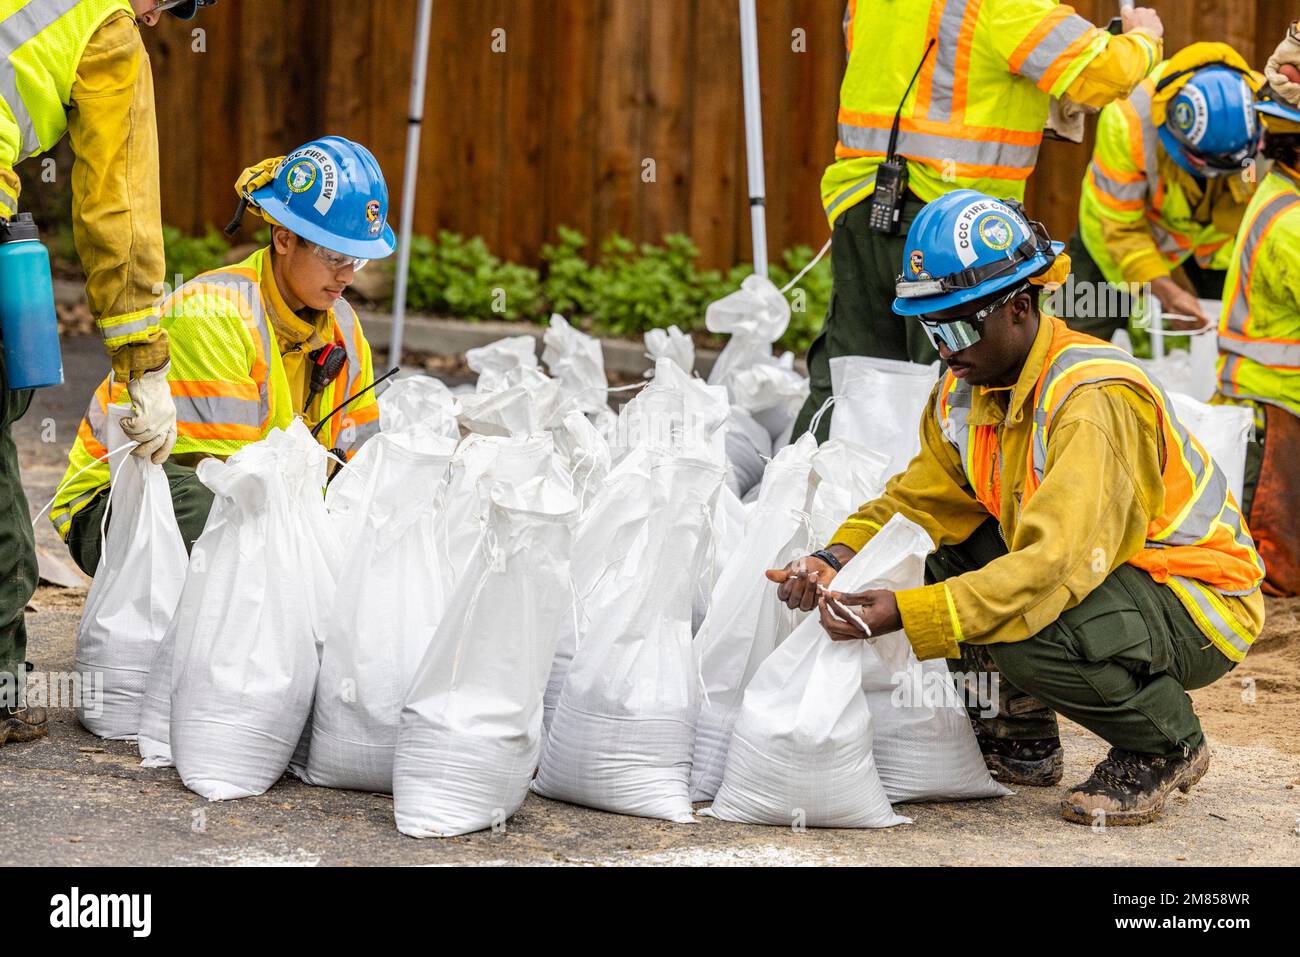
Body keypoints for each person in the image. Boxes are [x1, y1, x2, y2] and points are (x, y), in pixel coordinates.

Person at [769, 191, 1265, 825]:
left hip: (1198, 600)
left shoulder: (1090, 399)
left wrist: (909, 614)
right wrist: (834, 556)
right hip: (1115, 577)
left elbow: (1053, 568)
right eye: (931, 328)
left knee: (1018, 623)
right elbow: (920, 502)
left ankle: (1165, 742)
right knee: (943, 560)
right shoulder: (966, 386)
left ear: (1021, 308)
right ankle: (1021, 736)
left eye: (956, 326)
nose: (944, 349)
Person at [792, 0, 1164, 442]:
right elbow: (1103, 71)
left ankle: (800, 494)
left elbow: (935, 74)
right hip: (956, 231)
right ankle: (957, 503)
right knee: (961, 387)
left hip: (862, 200)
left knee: (850, 375)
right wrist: (1144, 39)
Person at [0, 0, 216, 748]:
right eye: (180, 3)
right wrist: (144, 366)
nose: (163, 19)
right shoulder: (108, 24)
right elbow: (117, 207)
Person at [51, 135, 395, 578]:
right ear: (284, 238)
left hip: (246, 492)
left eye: (358, 261)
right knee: (229, 524)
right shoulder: (214, 312)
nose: (347, 276)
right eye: (334, 256)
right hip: (114, 501)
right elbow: (234, 479)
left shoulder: (344, 326)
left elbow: (357, 464)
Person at [1066, 43, 1261, 341]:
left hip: (1218, 243)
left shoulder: (1268, 107)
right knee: (1076, 342)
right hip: (1113, 237)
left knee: (1235, 339)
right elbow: (1121, 228)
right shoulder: (1127, 120)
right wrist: (1165, 290)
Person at [1212, 94, 1300, 596]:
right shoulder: (1289, 224)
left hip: (1275, 410)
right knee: (1271, 579)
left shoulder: (1280, 192)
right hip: (1274, 419)